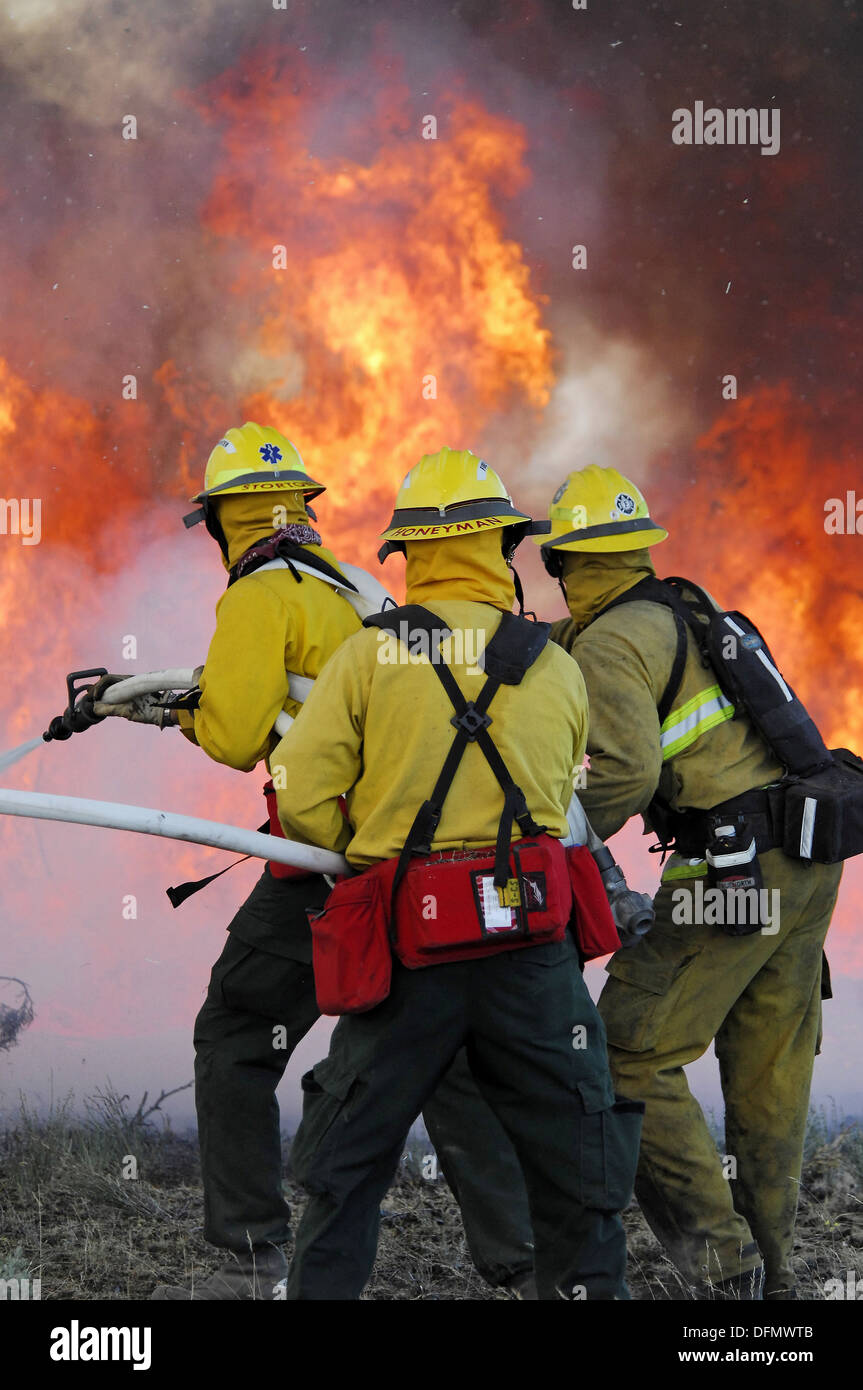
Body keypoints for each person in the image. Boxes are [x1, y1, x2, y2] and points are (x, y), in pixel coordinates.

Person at [95, 423, 540, 1299]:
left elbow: (230, 734)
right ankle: (522, 1263)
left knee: (236, 1035)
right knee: (442, 1054)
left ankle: (252, 1253)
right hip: (425, 859)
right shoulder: (361, 587)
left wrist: (179, 713)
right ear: (300, 505)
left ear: (224, 518)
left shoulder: (260, 594)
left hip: (326, 859)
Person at [273, 447, 643, 1301]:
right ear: (503, 548)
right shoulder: (555, 663)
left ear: (411, 553)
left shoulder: (368, 658)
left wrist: (371, 837)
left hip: (409, 956)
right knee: (579, 1168)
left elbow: (299, 798)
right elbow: (557, 800)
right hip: (534, 957)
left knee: (345, 1167)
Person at [537, 464, 843, 1300]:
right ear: (636, 550)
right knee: (768, 1066)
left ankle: (722, 1266)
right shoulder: (685, 607)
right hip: (806, 864)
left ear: (563, 562)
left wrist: (548, 840)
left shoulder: (607, 642)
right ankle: (771, 1278)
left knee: (628, 1053)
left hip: (731, 876)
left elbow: (628, 774)